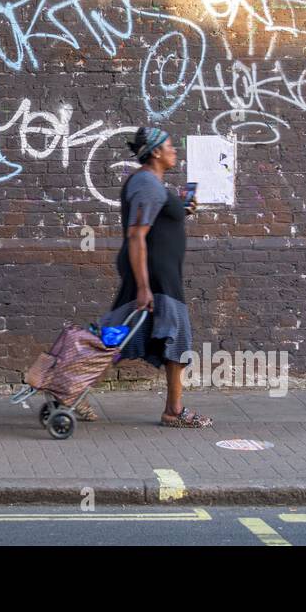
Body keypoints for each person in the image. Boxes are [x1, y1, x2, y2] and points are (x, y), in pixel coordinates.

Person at [98, 126, 212, 428]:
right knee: (176, 337)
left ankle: (69, 387)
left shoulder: (151, 182)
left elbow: (155, 223)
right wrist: (145, 287)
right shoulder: (147, 183)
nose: (175, 151)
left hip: (158, 275)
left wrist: (182, 211)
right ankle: (174, 410)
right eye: (171, 146)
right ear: (156, 152)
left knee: (116, 333)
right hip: (156, 278)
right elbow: (136, 235)